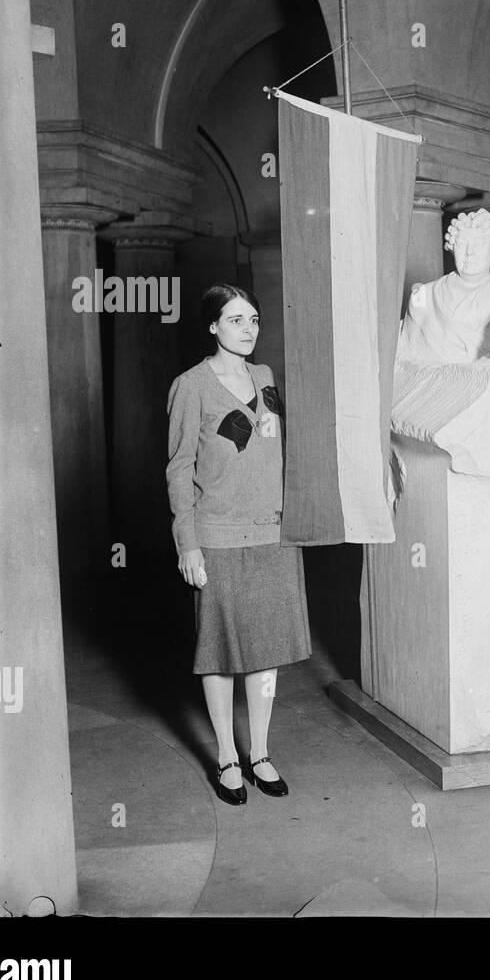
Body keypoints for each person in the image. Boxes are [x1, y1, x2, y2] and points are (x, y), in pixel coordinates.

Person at [166, 283, 312, 806]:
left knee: (266, 652)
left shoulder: (265, 377)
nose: (248, 329)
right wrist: (189, 543)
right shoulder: (191, 386)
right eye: (235, 320)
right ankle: (227, 755)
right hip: (218, 536)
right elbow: (180, 468)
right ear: (212, 327)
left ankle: (261, 753)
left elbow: (276, 449)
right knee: (221, 653)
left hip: (272, 532)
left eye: (253, 319)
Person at [398, 208, 490, 363]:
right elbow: (406, 358)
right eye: (461, 244)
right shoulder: (424, 296)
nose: (469, 252)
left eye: (478, 245)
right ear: (452, 248)